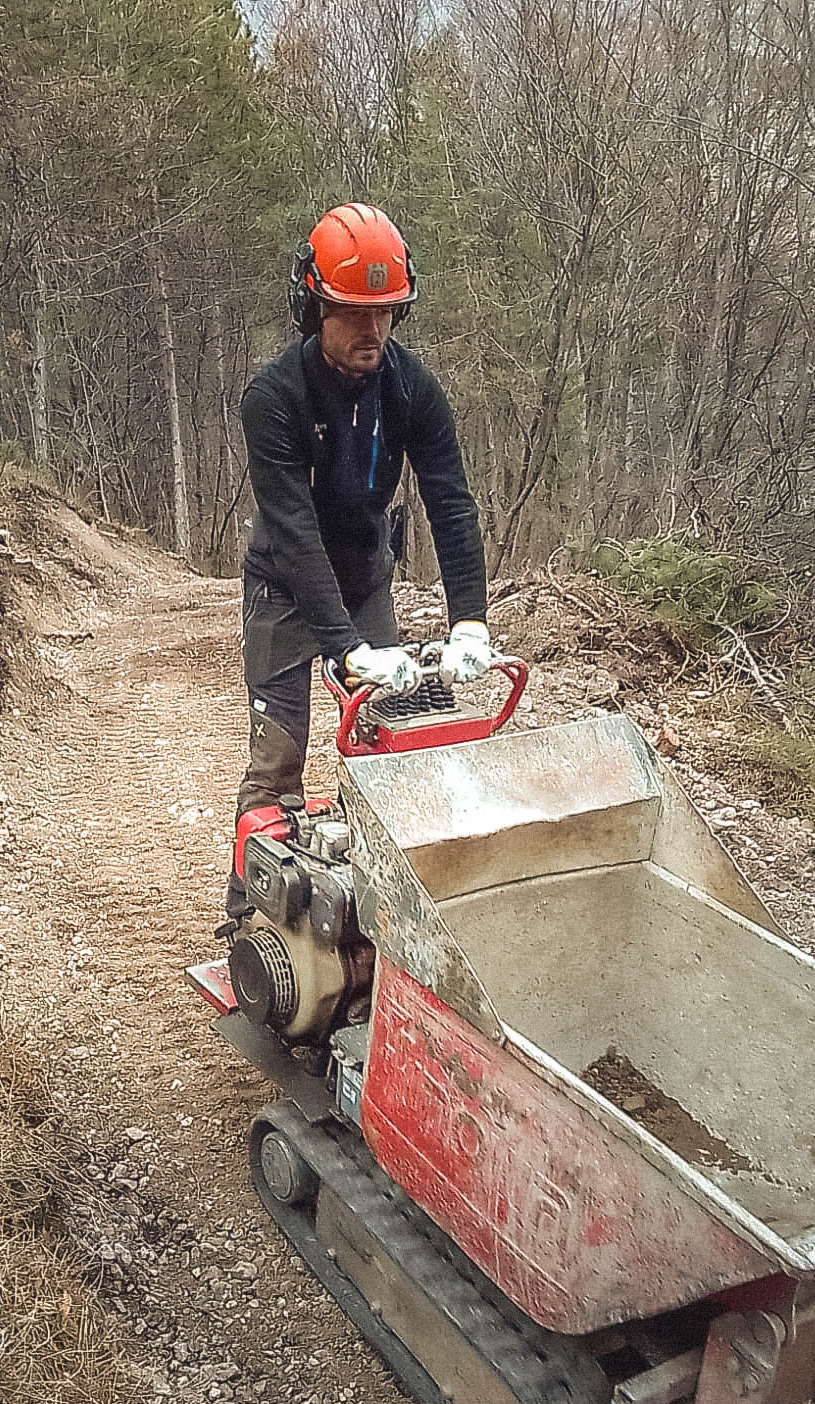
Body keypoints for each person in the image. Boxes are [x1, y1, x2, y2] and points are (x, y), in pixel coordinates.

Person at [225, 202, 493, 923]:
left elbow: (451, 503)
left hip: (367, 577)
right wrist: (346, 651)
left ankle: (362, 911)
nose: (370, 330)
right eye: (350, 312)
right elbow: (292, 530)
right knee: (279, 757)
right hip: (285, 585)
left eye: (384, 312)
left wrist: (470, 620)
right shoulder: (274, 397)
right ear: (314, 306)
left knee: (387, 750)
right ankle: (252, 919)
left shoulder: (413, 389)